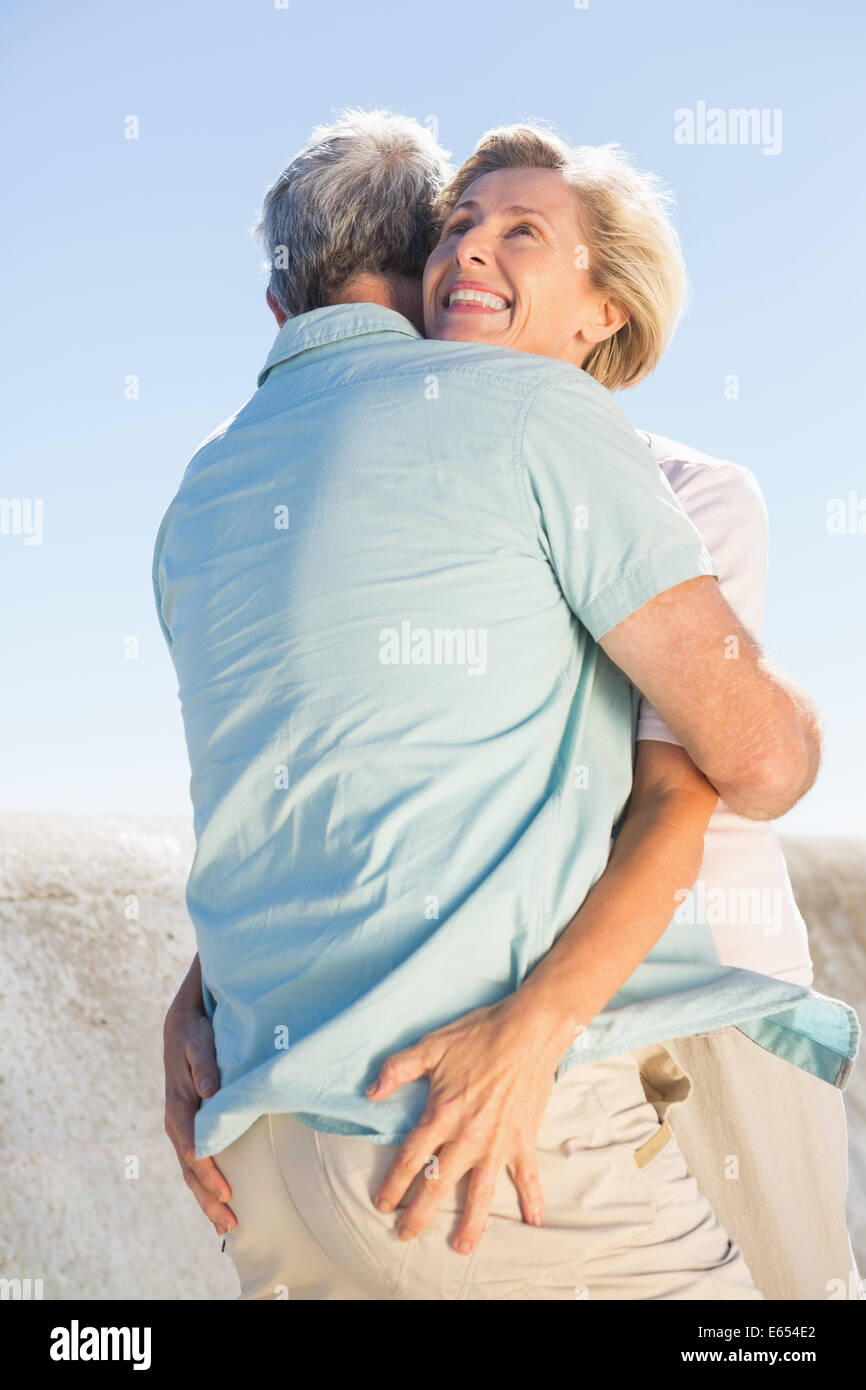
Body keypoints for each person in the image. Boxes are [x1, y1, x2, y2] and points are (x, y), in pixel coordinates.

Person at [154, 112, 856, 1299]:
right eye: (459, 225)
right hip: (476, 1090)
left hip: (687, 1002)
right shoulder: (448, 450)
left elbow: (694, 785)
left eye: (521, 232)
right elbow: (332, 760)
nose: (472, 251)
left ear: (604, 309)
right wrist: (200, 987)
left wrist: (530, 1029)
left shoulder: (682, 485)